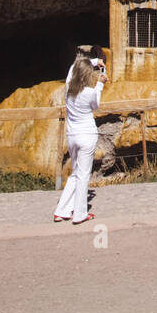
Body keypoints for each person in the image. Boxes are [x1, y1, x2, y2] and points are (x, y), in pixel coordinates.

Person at [53, 56, 107, 224]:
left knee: (76, 173)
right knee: (83, 175)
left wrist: (94, 60)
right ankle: (80, 213)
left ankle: (62, 210)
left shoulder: (68, 88)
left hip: (72, 135)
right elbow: (96, 105)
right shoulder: (89, 92)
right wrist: (100, 83)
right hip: (87, 135)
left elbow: (72, 68)